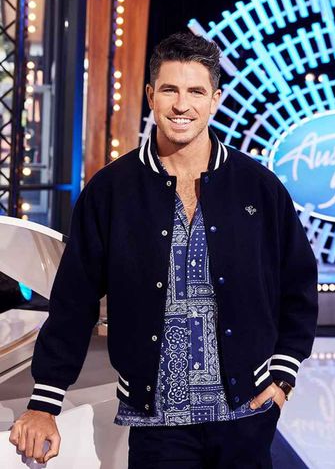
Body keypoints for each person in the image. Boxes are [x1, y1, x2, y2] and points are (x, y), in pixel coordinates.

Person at [9, 32, 318, 468]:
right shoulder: (111, 190)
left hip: (246, 414)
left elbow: (298, 282)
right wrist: (44, 402)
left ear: (215, 100)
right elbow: (74, 300)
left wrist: (283, 377)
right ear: (151, 95)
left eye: (196, 92)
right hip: (156, 421)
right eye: (170, 90)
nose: (181, 105)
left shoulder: (258, 186)